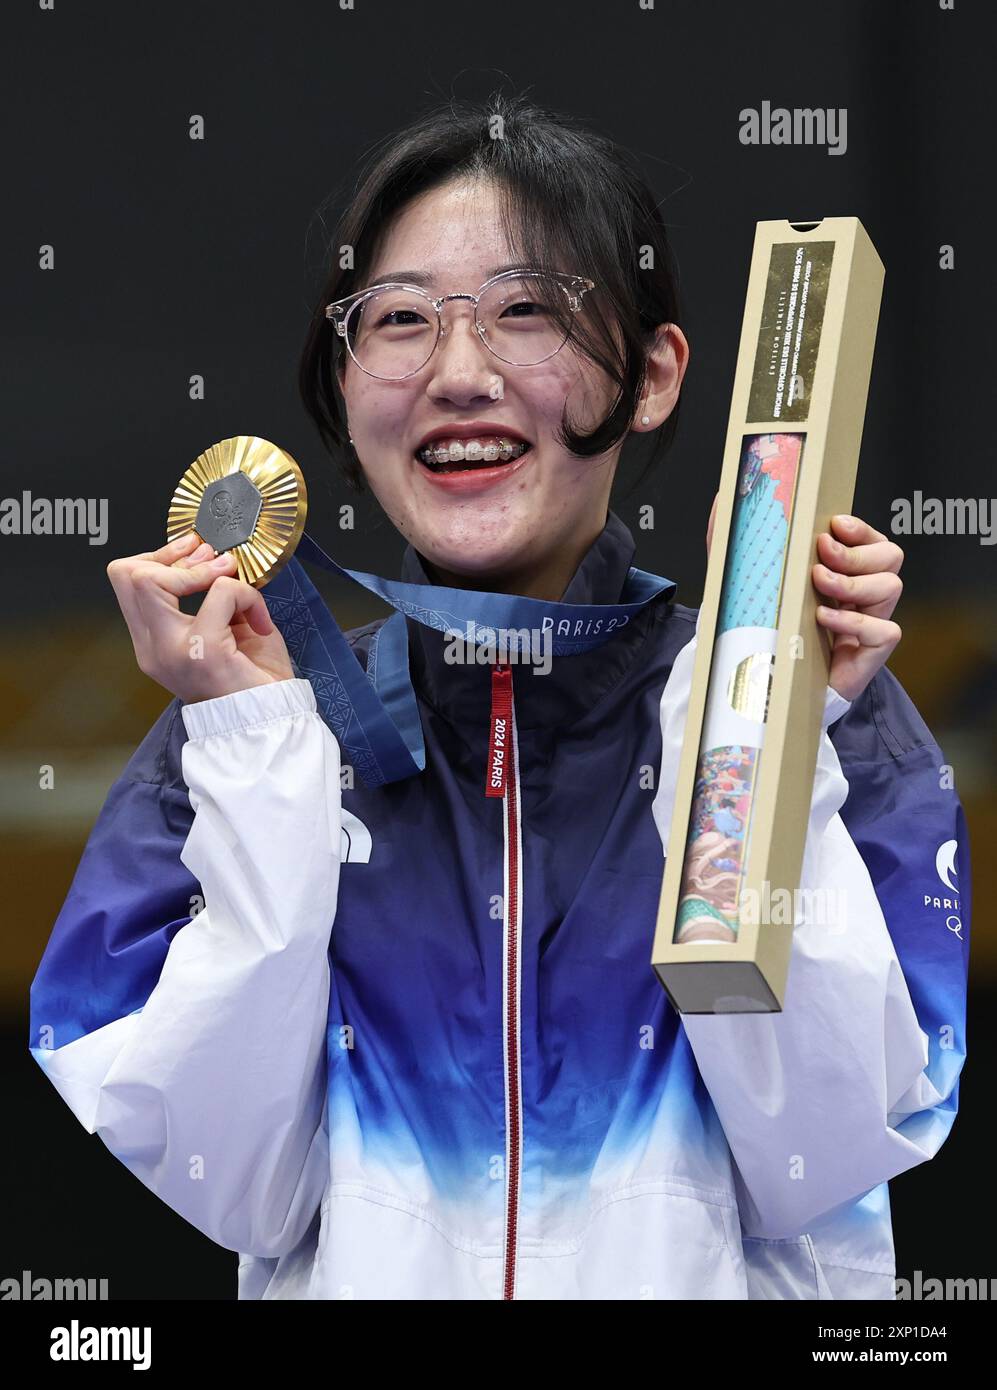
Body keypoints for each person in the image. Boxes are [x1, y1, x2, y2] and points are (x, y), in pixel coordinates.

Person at [29, 93, 970, 1300]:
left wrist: (755, 719)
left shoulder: (814, 701)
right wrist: (255, 744)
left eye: (527, 311)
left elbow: (828, 1150)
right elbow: (237, 1184)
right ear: (341, 383)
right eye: (401, 320)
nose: (458, 372)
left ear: (651, 373)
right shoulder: (255, 734)